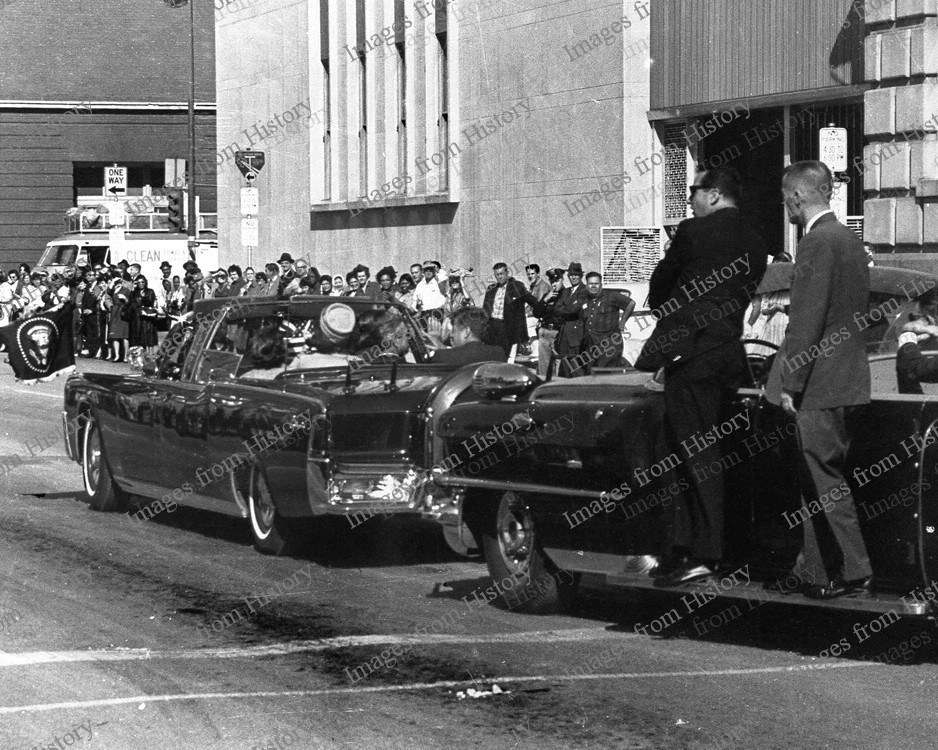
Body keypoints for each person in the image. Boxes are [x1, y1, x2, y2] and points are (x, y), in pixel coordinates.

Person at [643, 166, 768, 587]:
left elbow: (658, 290)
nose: (691, 199)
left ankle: (700, 551)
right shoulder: (754, 240)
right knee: (715, 450)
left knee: (687, 450)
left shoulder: (693, 233)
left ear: (714, 195)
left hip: (691, 354)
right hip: (727, 353)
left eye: (695, 191)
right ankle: (701, 544)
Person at [765, 160, 871, 599]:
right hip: (846, 378)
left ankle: (854, 569)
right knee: (814, 478)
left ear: (797, 196)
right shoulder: (848, 240)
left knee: (823, 479)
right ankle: (814, 571)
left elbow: (806, 320)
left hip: (819, 383)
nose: (785, 205)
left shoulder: (816, 244)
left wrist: (791, 383)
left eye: (785, 198)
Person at [573, 272, 635, 373]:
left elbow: (631, 303)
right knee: (590, 373)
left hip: (608, 344)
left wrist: (623, 321)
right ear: (587, 285)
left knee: (605, 373)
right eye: (590, 284)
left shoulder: (611, 296)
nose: (593, 286)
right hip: (590, 345)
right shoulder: (585, 299)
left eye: (596, 283)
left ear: (601, 284)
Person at [482, 262, 540, 357]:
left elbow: (533, 301)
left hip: (507, 328)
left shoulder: (517, 286)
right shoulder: (491, 289)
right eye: (497, 275)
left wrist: (545, 307)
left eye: (501, 274)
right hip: (492, 327)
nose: (499, 277)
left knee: (506, 356)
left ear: (507, 273)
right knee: (492, 356)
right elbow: (485, 309)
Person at [431, 307, 508, 366]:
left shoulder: (442, 357)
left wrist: (440, 351)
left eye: (454, 331)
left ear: (466, 331)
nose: (451, 335)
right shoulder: (498, 353)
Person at [553, 262, 589, 376]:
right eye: (571, 274)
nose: (573, 277)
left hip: (576, 335)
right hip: (564, 335)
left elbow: (574, 310)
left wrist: (565, 308)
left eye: (576, 274)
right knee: (564, 367)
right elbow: (556, 308)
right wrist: (567, 308)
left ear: (581, 276)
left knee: (576, 366)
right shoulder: (566, 291)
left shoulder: (584, 291)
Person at [128, 276, 159, 353]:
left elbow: (151, 302)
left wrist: (143, 305)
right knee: (139, 336)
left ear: (145, 282)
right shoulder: (134, 292)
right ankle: (142, 355)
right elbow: (131, 304)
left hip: (147, 317)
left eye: (142, 282)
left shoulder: (150, 291)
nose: (141, 284)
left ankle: (151, 354)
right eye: (138, 282)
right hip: (137, 317)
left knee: (149, 336)